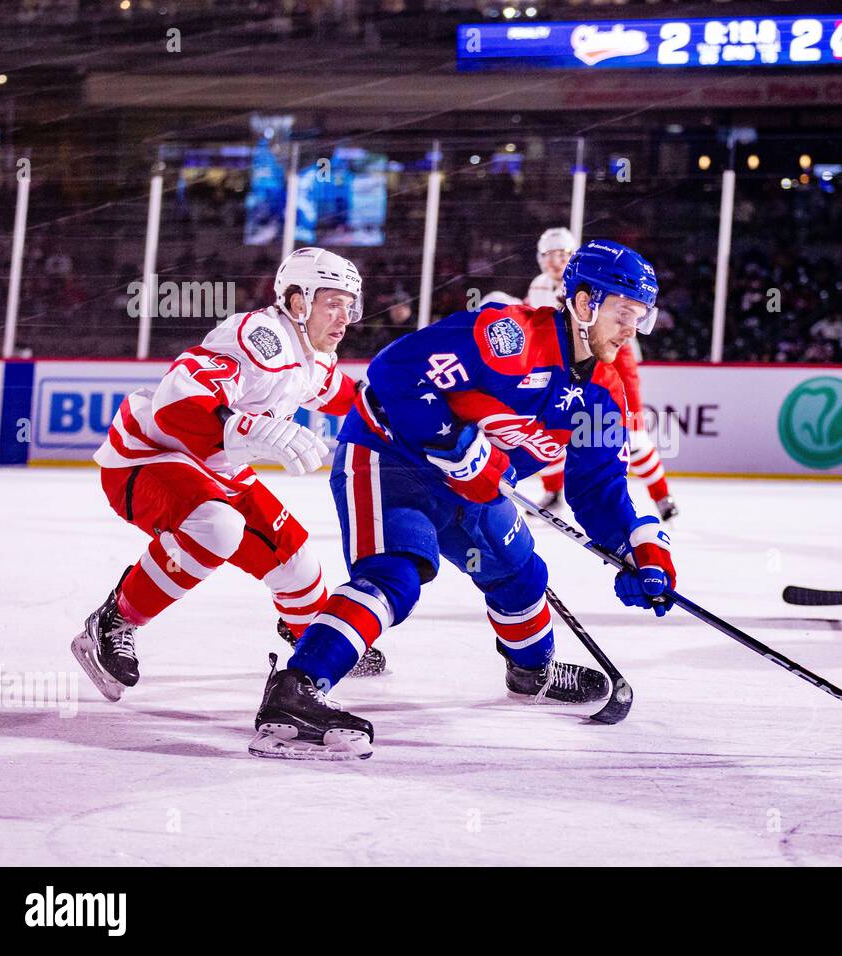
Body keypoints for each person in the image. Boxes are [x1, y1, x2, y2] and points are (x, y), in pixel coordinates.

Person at [249, 240, 678, 759]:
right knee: (396, 577)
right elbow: (393, 372)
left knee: (521, 576)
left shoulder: (606, 392)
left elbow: (598, 490)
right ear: (585, 303)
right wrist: (452, 440)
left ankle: (532, 673)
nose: (632, 330)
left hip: (474, 488)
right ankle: (296, 690)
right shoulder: (508, 336)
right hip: (391, 461)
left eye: (640, 318)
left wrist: (637, 549)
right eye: (623, 313)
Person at [73, 248, 385, 702]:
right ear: (298, 302)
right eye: (333, 303)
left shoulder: (312, 352)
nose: (345, 318)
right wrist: (245, 425)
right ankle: (114, 619)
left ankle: (313, 641)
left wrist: (389, 403)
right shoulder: (262, 337)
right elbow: (174, 403)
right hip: (147, 457)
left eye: (349, 305)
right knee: (217, 528)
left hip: (218, 471)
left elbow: (331, 390)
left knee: (299, 566)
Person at [527, 227, 678, 522]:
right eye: (548, 254)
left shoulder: (600, 279)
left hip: (615, 359)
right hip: (568, 360)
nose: (556, 261)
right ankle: (553, 491)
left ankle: (662, 497)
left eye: (562, 254)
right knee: (547, 427)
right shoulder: (538, 287)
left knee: (633, 434)